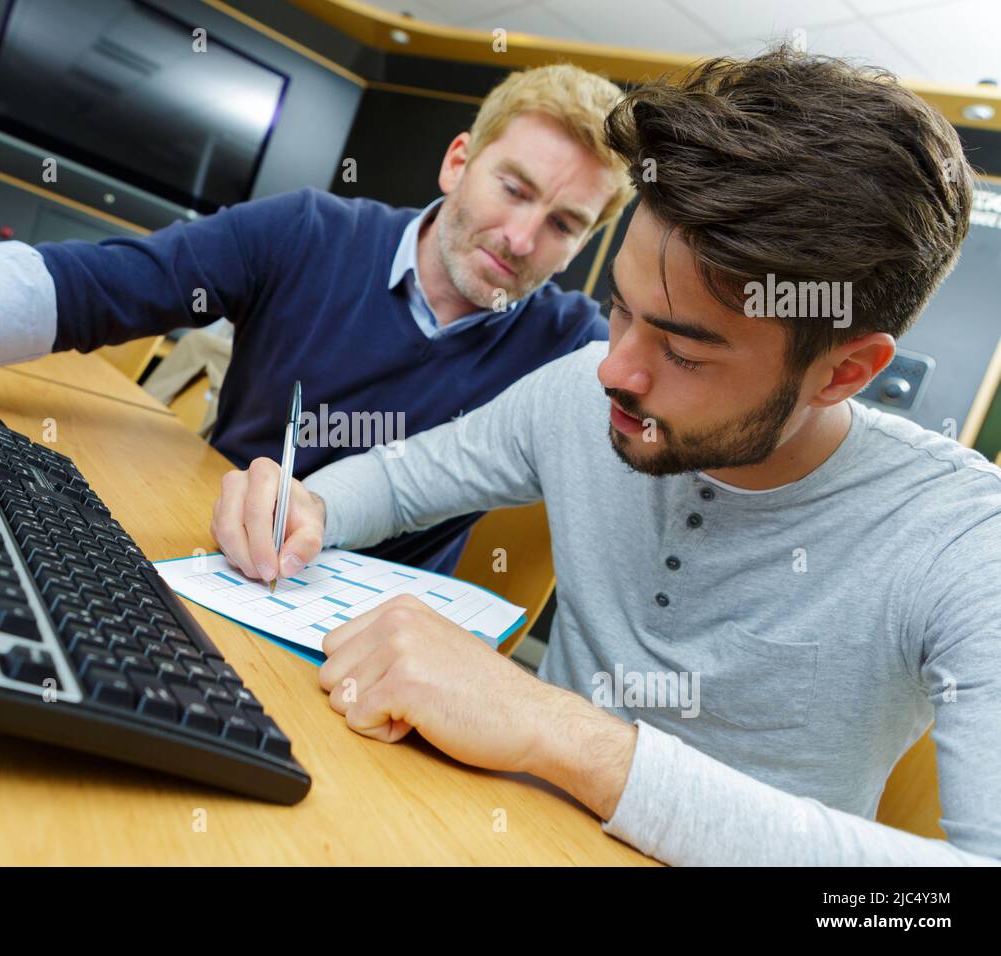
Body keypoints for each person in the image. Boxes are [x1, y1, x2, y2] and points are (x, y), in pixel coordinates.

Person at [209, 47, 1001, 865]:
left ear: (845, 372)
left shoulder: (965, 541)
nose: (615, 371)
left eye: (686, 352)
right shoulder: (579, 389)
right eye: (620, 310)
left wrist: (569, 737)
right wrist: (309, 507)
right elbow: (402, 478)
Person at [0, 63, 635, 575]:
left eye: (563, 224)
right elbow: (98, 286)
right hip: (200, 554)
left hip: (364, 646)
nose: (521, 237)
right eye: (513, 189)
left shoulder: (578, 347)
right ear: (458, 161)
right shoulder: (305, 231)